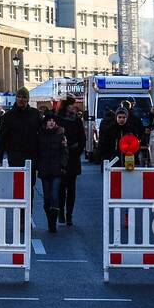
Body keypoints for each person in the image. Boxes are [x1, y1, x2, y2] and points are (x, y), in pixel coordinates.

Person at [0, 88, 44, 202]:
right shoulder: (8, 116)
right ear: (16, 98)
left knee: (29, 187)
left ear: (27, 99)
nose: (21, 99)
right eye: (19, 97)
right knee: (17, 187)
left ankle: (27, 215)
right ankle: (20, 216)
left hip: (32, 157)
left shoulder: (35, 114)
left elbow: (42, 134)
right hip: (15, 156)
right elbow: (2, 138)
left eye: (24, 97)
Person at [34, 111, 67, 234]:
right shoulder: (40, 135)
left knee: (54, 195)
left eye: (53, 120)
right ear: (45, 122)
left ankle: (53, 222)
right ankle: (49, 220)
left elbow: (64, 151)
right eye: (49, 120)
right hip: (44, 169)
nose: (52, 122)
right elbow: (37, 151)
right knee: (47, 198)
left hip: (57, 169)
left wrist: (62, 165)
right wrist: (37, 165)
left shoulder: (61, 134)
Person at [55, 96, 86, 226]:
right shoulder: (59, 120)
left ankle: (69, 214)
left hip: (73, 157)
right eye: (71, 105)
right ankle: (61, 211)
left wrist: (77, 151)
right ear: (66, 106)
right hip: (62, 156)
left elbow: (82, 139)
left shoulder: (77, 120)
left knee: (71, 188)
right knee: (61, 187)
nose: (73, 107)